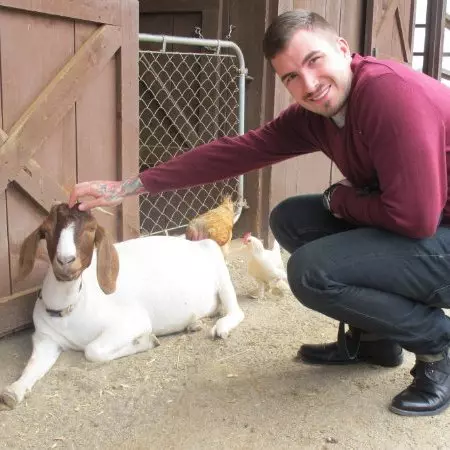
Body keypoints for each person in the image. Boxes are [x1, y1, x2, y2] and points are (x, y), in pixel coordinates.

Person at [69, 10, 450, 416]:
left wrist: (339, 201)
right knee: (292, 219)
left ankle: (438, 349)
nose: (308, 85)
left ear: (342, 49)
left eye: (314, 61)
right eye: (290, 77)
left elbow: (414, 218)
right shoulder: (316, 115)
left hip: (435, 230)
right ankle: (376, 340)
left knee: (311, 271)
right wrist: (127, 187)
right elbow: (238, 152)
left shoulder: (389, 95)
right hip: (426, 227)